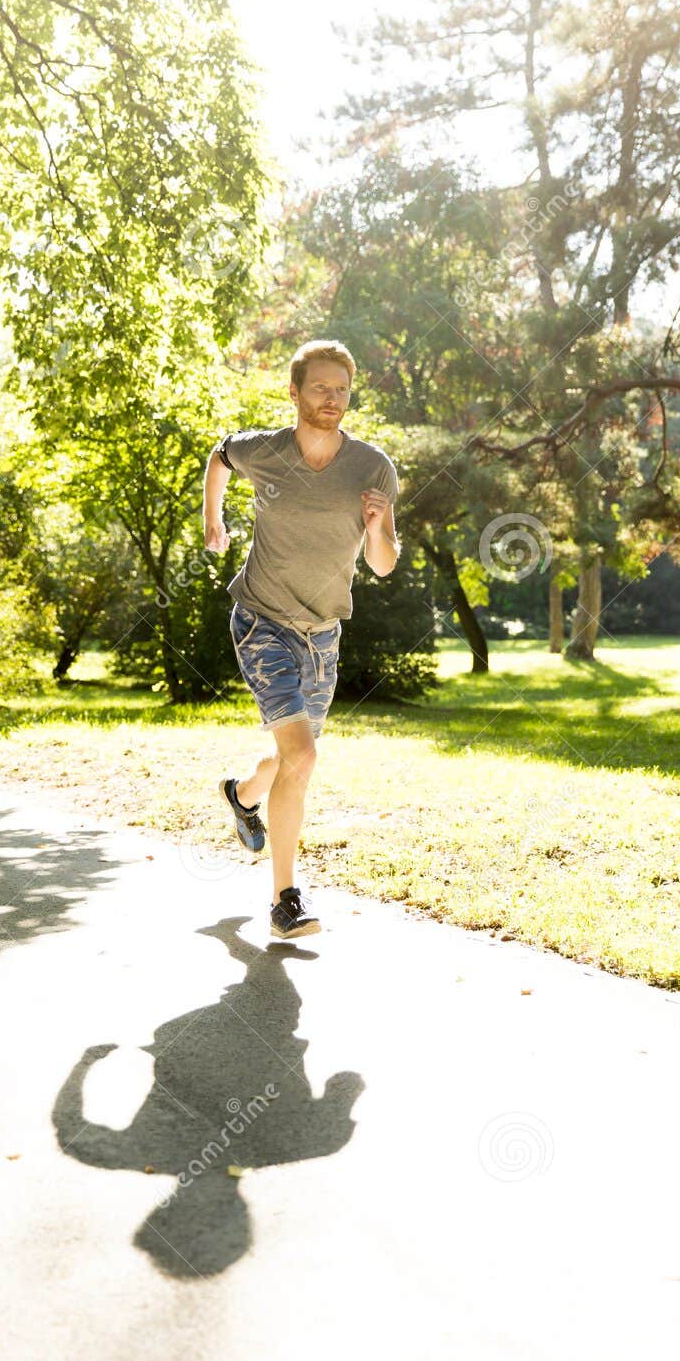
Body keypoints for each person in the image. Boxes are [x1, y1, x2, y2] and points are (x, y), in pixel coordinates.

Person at [203, 340, 401, 939]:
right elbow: (218, 455)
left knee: (294, 757)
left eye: (341, 389)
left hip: (323, 635)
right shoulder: (266, 451)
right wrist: (214, 519)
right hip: (262, 620)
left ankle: (241, 795)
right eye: (320, 388)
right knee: (305, 756)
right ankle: (286, 899)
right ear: (294, 392)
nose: (332, 399)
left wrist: (377, 525)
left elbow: (385, 564)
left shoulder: (372, 467)